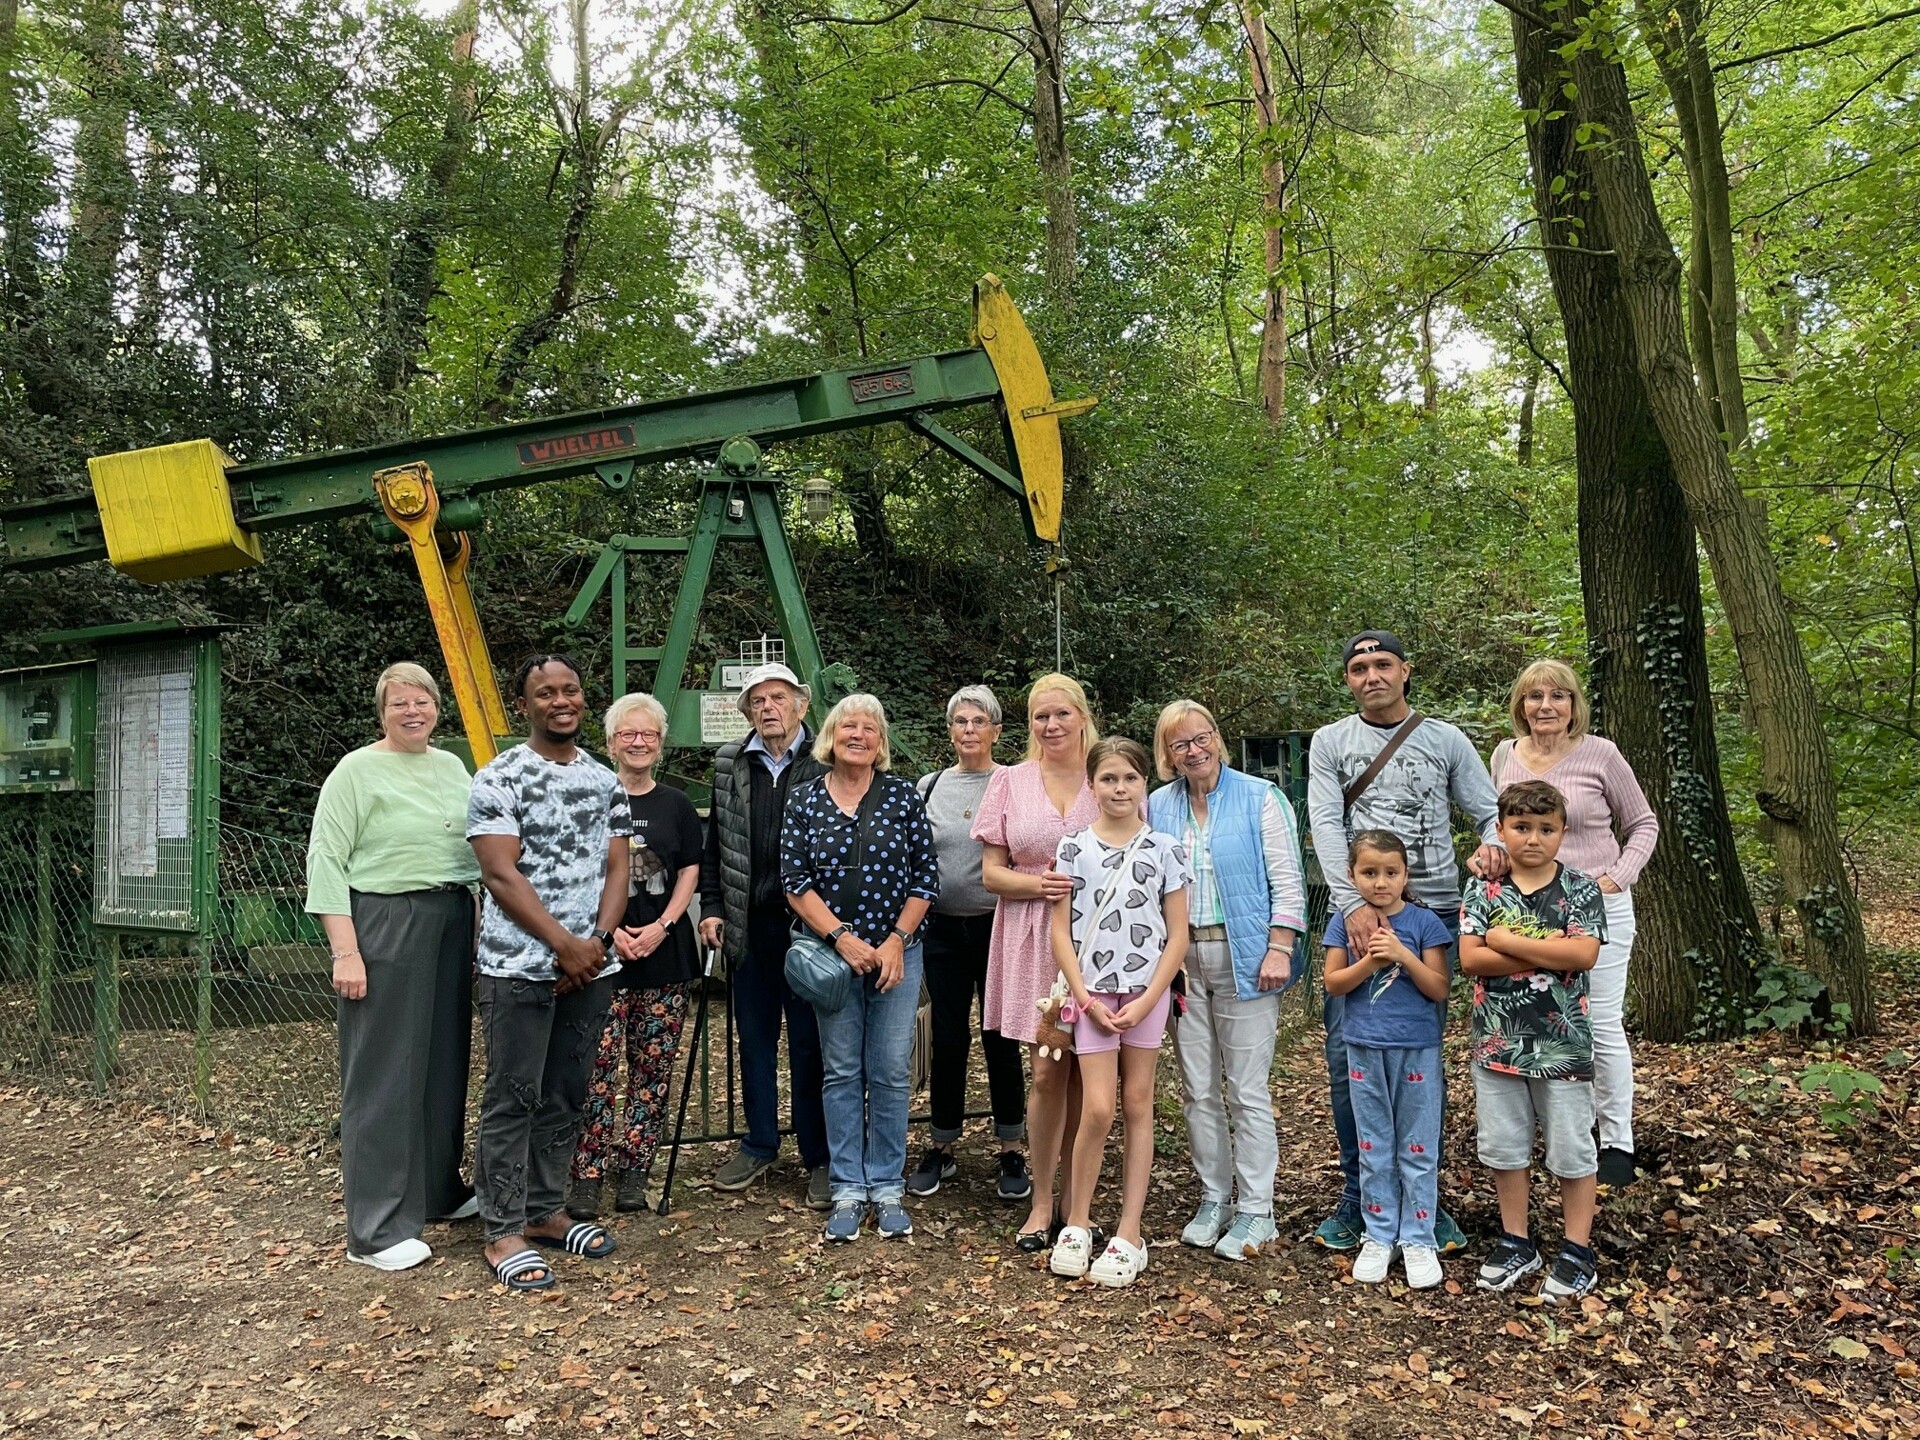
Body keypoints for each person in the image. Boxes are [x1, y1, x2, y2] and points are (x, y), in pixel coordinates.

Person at [1305, 630, 1506, 1255]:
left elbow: (1487, 810)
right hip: (1357, 916)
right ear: (1348, 679)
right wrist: (1352, 908)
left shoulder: (1444, 738)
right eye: (1359, 667)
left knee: (1419, 1064)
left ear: (1405, 671)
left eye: (1382, 664)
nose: (1371, 676)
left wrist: (1492, 843)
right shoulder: (1330, 742)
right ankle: (1359, 1193)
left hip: (1434, 914)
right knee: (1350, 1060)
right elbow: (1324, 825)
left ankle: (1425, 1201)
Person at [305, 662, 482, 1272]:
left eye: (423, 701)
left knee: (441, 1058)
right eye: (399, 703)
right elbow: (326, 858)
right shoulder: (355, 771)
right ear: (382, 712)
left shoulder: (452, 766)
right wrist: (346, 949)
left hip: (452, 915)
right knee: (383, 1070)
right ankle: (376, 1229)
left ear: (437, 707)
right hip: (385, 919)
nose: (413, 711)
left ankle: (437, 1189)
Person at [467, 655, 631, 1293]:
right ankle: (501, 1227)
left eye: (570, 690)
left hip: (590, 966)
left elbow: (617, 867)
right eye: (544, 693)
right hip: (517, 968)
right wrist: (562, 945)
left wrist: (595, 944)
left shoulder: (602, 778)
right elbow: (500, 872)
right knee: (514, 1095)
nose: (560, 701)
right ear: (525, 706)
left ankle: (543, 1210)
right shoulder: (498, 778)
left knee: (566, 1092)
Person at [1147, 699, 1307, 1263]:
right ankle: (1214, 1198)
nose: (1194, 751)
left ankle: (1257, 1208)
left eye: (1201, 737)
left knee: (1246, 1087)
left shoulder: (1261, 798)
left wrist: (1280, 946)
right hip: (1180, 962)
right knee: (1197, 1088)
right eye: (1180, 744)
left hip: (1246, 955)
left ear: (1218, 736)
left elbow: (1288, 880)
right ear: (1168, 754)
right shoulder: (1155, 807)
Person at [1489, 660, 1657, 1188]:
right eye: (1535, 696)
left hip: (1598, 909)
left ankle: (1616, 1142)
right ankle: (1566, 1133)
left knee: (1600, 1024)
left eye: (1558, 696)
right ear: (1520, 705)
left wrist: (1616, 877)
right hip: (1527, 913)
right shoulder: (1504, 756)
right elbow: (1503, 828)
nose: (1546, 706)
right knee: (1544, 1021)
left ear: (1573, 705)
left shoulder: (1600, 754)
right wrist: (1489, 857)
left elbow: (1643, 823)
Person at [781, 693, 940, 1243]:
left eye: (869, 728)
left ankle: (888, 1186)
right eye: (848, 725)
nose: (859, 734)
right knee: (842, 1070)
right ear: (830, 736)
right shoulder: (804, 801)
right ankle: (848, 1186)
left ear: (880, 741)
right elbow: (795, 882)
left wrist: (896, 940)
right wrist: (844, 939)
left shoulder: (901, 797)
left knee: (891, 1071)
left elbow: (925, 878)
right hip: (832, 957)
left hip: (899, 954)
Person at [1048, 738, 1191, 1288]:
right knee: (1097, 1108)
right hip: (1091, 994)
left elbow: (1176, 935)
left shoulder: (1164, 849)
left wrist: (1150, 997)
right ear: (1092, 785)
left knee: (1136, 1103)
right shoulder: (1072, 849)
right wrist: (1083, 998)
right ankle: (1076, 1220)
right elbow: (1061, 931)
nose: (1119, 789)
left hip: (1144, 994)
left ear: (1144, 785)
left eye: (1129, 778)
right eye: (1108, 779)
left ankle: (1130, 1229)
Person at [1460, 779, 1609, 1302]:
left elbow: (1584, 955)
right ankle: (1516, 1239)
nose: (1533, 839)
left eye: (1546, 829)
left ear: (1563, 833)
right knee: (1504, 1147)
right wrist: (1547, 949)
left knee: (1571, 1148)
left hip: (1563, 1044)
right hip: (1498, 1044)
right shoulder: (1484, 887)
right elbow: (1471, 959)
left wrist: (1504, 940)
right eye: (1521, 827)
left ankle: (1577, 1249)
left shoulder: (1581, 888)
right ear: (1500, 829)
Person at [973, 673, 1102, 1252]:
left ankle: (1080, 1200)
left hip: (1098, 938)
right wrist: (1037, 885)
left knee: (1089, 1068)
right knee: (1049, 1069)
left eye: (1060, 714)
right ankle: (1042, 1199)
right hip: (1031, 934)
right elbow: (990, 873)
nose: (1051, 726)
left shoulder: (1107, 775)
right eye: (1039, 717)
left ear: (1080, 715)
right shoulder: (1009, 782)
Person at [699, 663, 832, 1207]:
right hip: (747, 922)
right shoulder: (731, 762)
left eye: (778, 697)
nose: (768, 707)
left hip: (808, 926)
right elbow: (716, 842)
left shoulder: (823, 758)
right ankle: (758, 1143)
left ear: (800, 706)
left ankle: (819, 1155)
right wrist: (711, 906)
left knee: (811, 1042)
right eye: (757, 700)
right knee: (753, 1038)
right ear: (748, 711)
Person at [566, 693, 703, 1219]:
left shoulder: (676, 805)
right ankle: (587, 1173)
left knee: (652, 1069)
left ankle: (635, 1169)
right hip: (601, 957)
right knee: (594, 1068)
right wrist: (614, 930)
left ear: (661, 744)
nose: (639, 741)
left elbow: (690, 867)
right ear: (610, 743)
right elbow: (579, 872)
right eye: (628, 734)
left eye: (648, 734)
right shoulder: (593, 798)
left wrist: (665, 925)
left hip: (664, 956)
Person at [906, 685, 1031, 1203]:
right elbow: (912, 856)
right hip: (942, 928)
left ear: (997, 731)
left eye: (980, 721)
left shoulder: (1017, 783)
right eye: (961, 721)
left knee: (1002, 1037)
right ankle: (942, 1145)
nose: (970, 731)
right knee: (949, 1038)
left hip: (999, 926)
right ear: (950, 730)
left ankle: (1012, 1147)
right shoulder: (929, 786)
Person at [1321, 830, 1456, 1289]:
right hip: (1364, 1047)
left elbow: (1439, 988)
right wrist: (1370, 965)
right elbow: (1334, 983)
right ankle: (1379, 1234)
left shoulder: (1425, 923)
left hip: (1417, 1047)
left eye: (1391, 872)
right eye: (1369, 872)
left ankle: (1418, 1236)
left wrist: (1401, 954)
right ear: (1352, 875)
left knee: (1417, 1145)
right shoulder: (1344, 923)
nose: (1381, 882)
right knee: (1374, 1144)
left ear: (1406, 874)